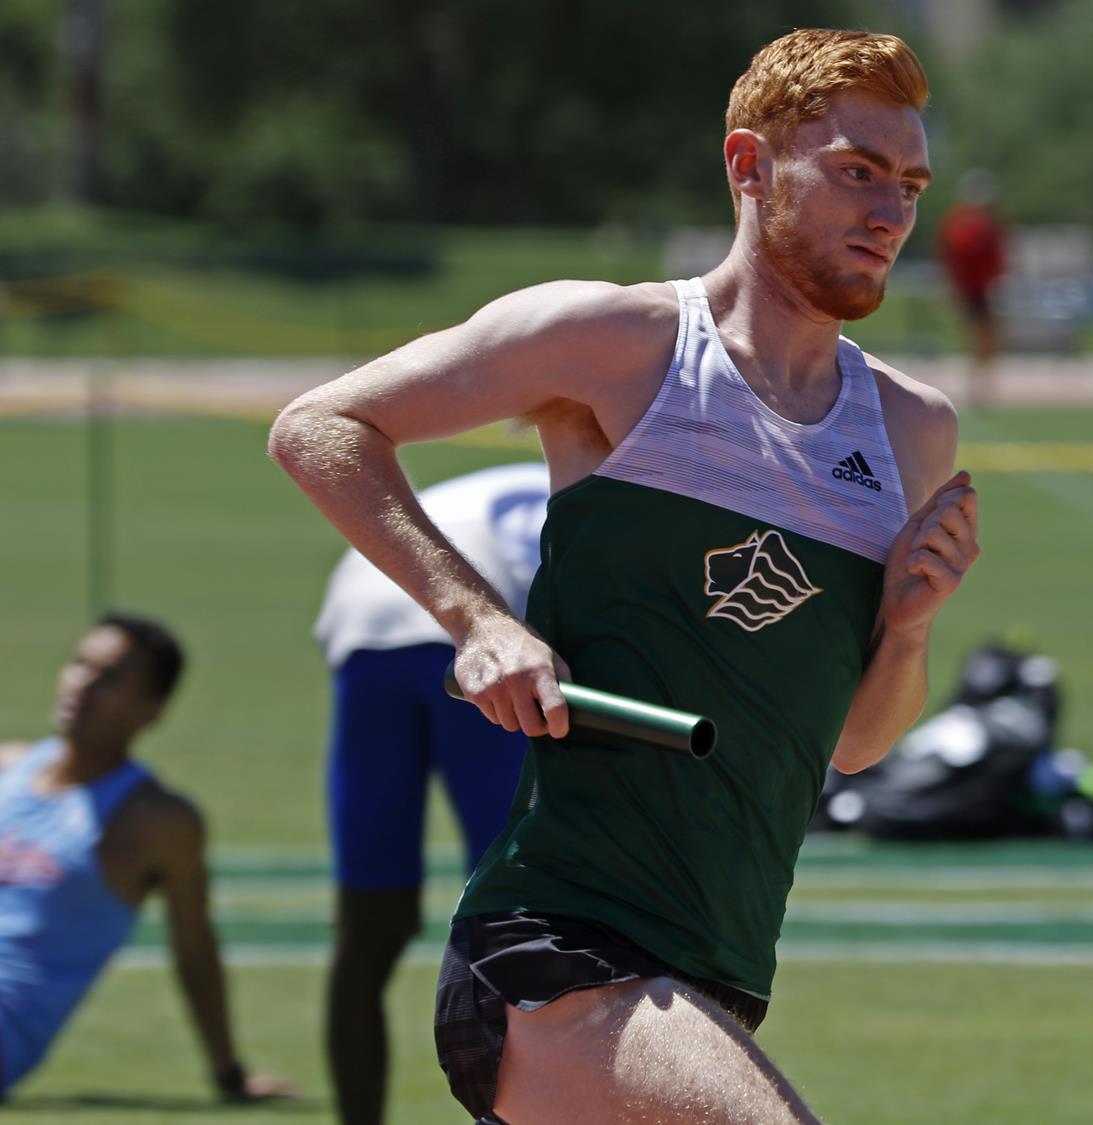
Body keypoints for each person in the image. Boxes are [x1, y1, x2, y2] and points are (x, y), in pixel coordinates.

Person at [269, 27, 978, 1125]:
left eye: (908, 185)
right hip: (551, 952)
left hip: (717, 978)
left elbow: (855, 741)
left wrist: (910, 627)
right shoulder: (616, 341)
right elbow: (321, 428)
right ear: (749, 167)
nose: (890, 213)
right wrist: (478, 621)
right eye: (854, 173)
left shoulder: (909, 430)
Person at [314, 462, 547, 1125]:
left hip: (359, 616)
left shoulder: (512, 480)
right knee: (519, 920)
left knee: (370, 919)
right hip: (464, 629)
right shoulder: (595, 490)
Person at [0, 614, 292, 1103]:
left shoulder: (156, 820)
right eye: (79, 664)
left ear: (151, 710)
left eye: (110, 677)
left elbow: (194, 948)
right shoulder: (8, 766)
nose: (83, 683)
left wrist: (228, 1074)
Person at [935, 169, 1006, 406]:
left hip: (985, 289)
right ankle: (973, 383)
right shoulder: (958, 223)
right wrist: (952, 288)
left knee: (987, 339)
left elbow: (997, 256)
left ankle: (980, 382)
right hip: (968, 289)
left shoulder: (989, 223)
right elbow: (951, 257)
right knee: (975, 337)